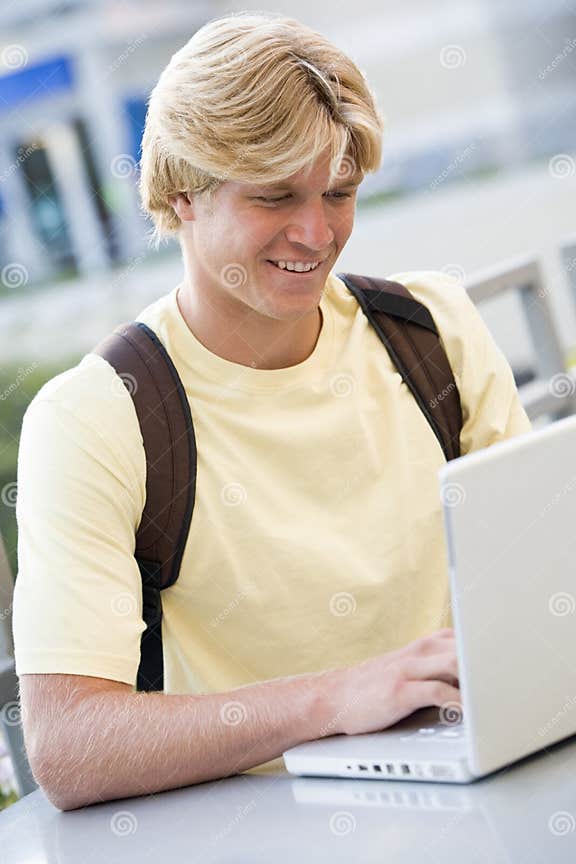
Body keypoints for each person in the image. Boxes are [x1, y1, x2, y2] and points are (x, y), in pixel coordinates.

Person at [12, 11, 530, 811]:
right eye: (275, 196)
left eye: (340, 193)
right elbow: (71, 746)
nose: (317, 233)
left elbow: (536, 589)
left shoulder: (435, 331)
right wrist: (335, 701)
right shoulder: (97, 417)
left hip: (485, 798)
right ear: (183, 194)